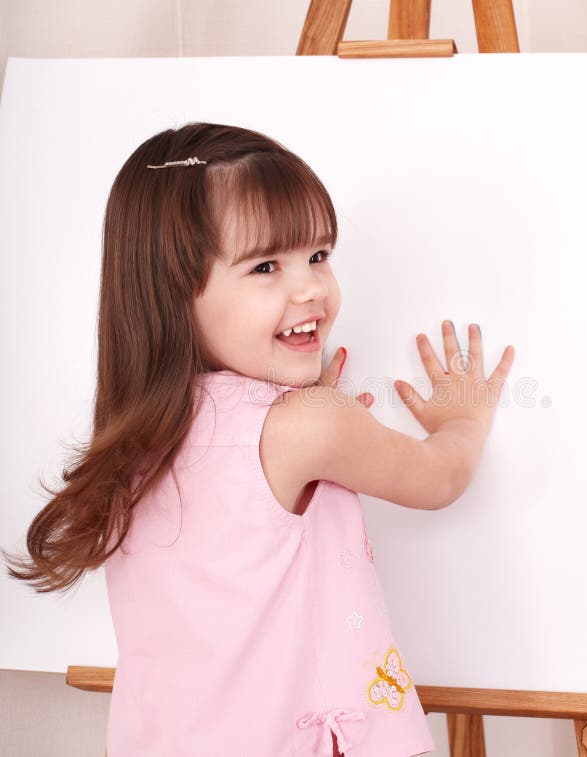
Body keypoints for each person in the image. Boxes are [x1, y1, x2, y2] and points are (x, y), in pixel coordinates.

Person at [3, 122, 514, 756]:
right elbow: (437, 477)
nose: (310, 289)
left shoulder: (133, 446)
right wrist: (464, 420)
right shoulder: (306, 426)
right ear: (173, 294)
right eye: (266, 265)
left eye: (320, 255)